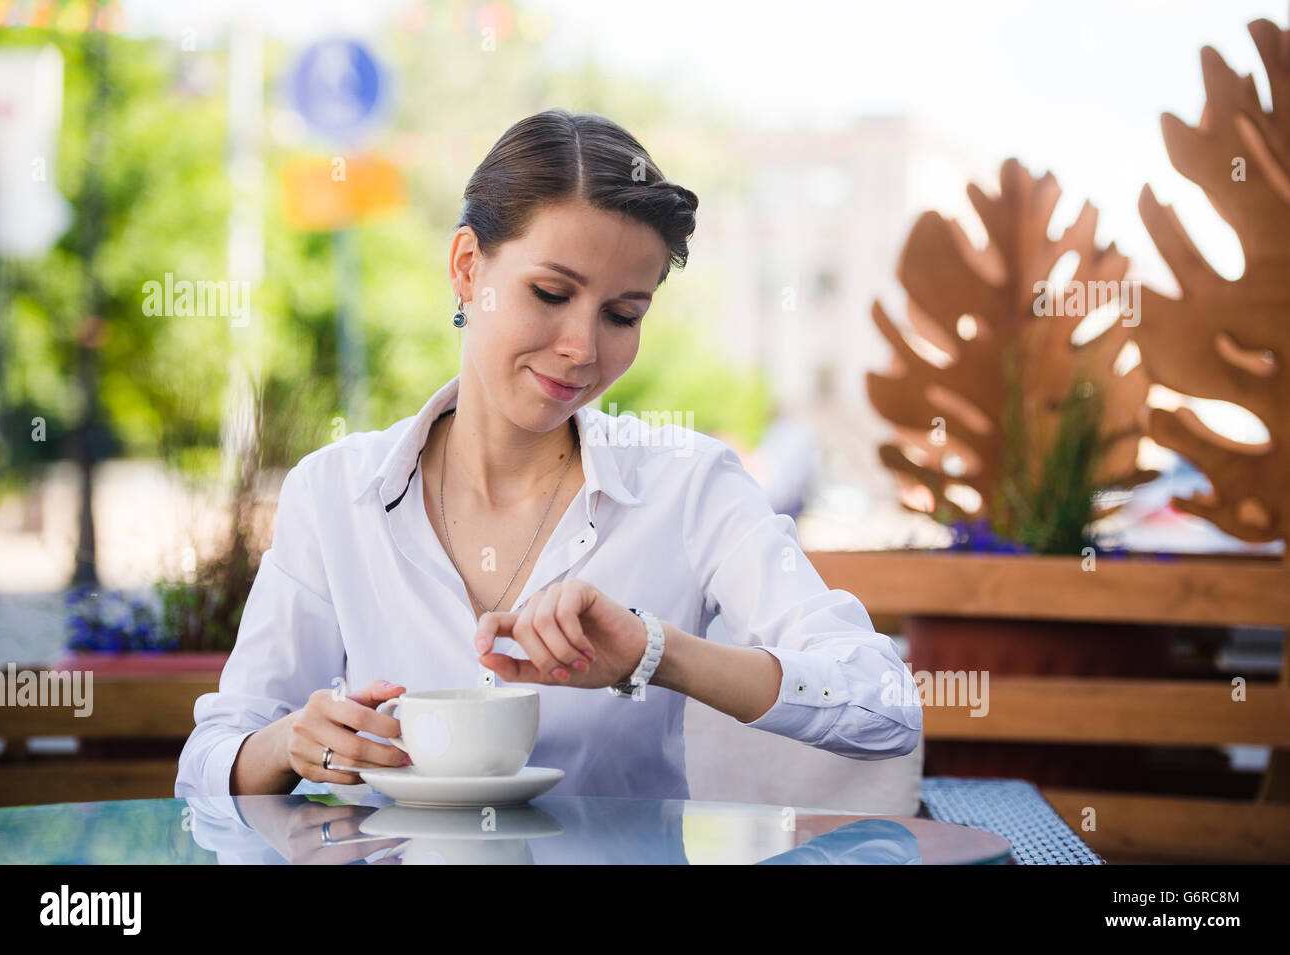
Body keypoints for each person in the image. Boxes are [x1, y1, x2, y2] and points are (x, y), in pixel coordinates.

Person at [175, 109, 920, 815]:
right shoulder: (336, 494)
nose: (583, 348)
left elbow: (884, 705)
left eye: (623, 314)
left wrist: (656, 653)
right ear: (467, 268)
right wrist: (286, 744)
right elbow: (208, 762)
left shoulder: (689, 486)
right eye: (551, 292)